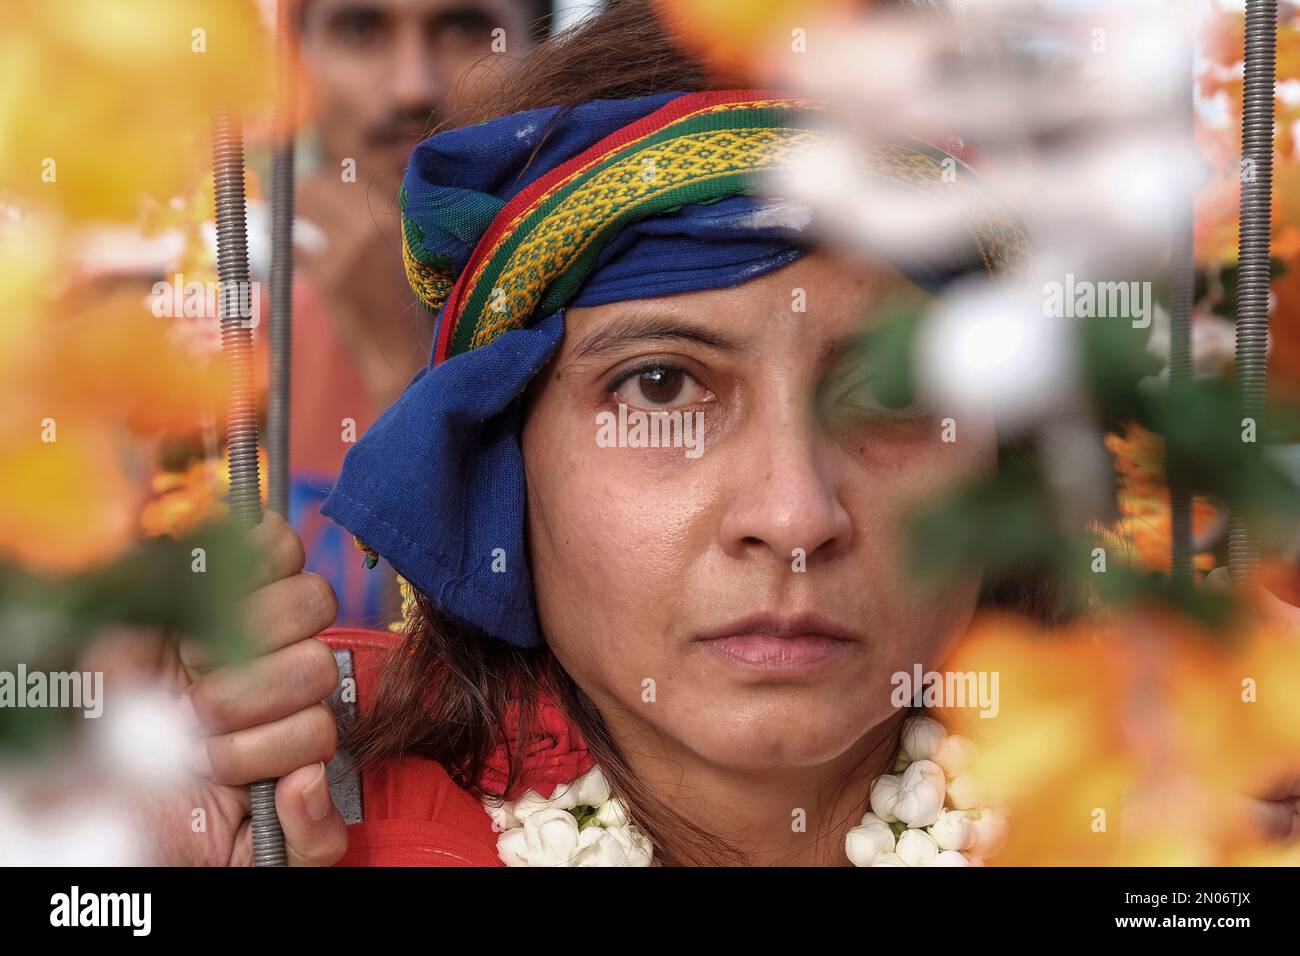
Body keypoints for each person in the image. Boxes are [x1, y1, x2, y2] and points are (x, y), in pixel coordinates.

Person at [137, 0, 1299, 866]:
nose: (793, 514)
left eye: (891, 393)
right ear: (498, 453)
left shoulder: (1180, 814)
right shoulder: (292, 806)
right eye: (659, 386)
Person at [283, 0, 552, 627]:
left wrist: (409, 368)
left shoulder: (626, 340)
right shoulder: (204, 352)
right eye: (359, 28)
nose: (412, 87)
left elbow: (488, 693)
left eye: (463, 27)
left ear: (539, 55)